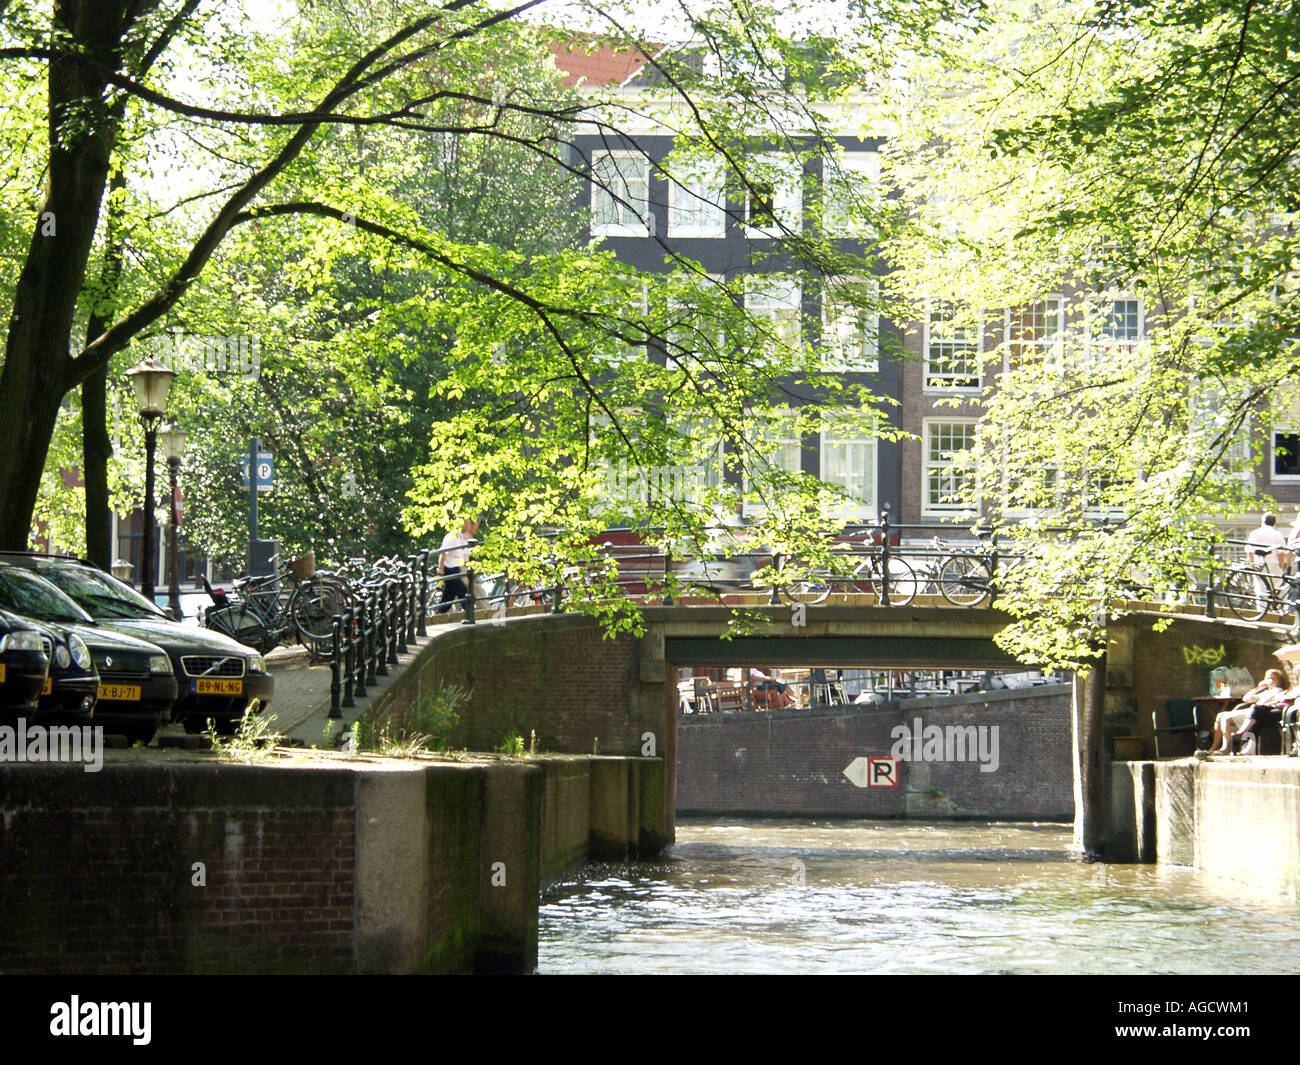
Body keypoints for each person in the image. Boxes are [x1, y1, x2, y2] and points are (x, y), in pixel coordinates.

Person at [1211, 668, 1287, 754]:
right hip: (1252, 709)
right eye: (1268, 678)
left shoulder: (1277, 690)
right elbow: (1246, 699)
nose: (1270, 680)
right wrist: (1258, 688)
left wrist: (1259, 697)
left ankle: (1226, 748)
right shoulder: (1265, 691)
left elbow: (1262, 703)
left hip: (1256, 712)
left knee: (1225, 718)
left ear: (1278, 681)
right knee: (1220, 715)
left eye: (1273, 678)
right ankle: (1214, 746)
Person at [1245, 513, 1290, 608]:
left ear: (1262, 521)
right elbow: (1281, 553)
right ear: (1274, 523)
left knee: (1261, 588)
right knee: (1279, 587)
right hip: (1274, 563)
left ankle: (1262, 611)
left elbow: (1249, 551)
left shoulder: (1255, 533)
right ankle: (1281, 609)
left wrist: (1251, 564)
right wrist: (1282, 567)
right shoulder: (1278, 534)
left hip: (1259, 564)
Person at [435, 516, 479, 615]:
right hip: (449, 569)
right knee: (463, 591)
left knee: (448, 597)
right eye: (466, 524)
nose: (468, 527)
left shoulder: (460, 538)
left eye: (468, 524)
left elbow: (463, 556)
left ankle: (438, 614)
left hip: (456, 569)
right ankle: (471, 613)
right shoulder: (452, 536)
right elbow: (443, 552)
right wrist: (440, 568)